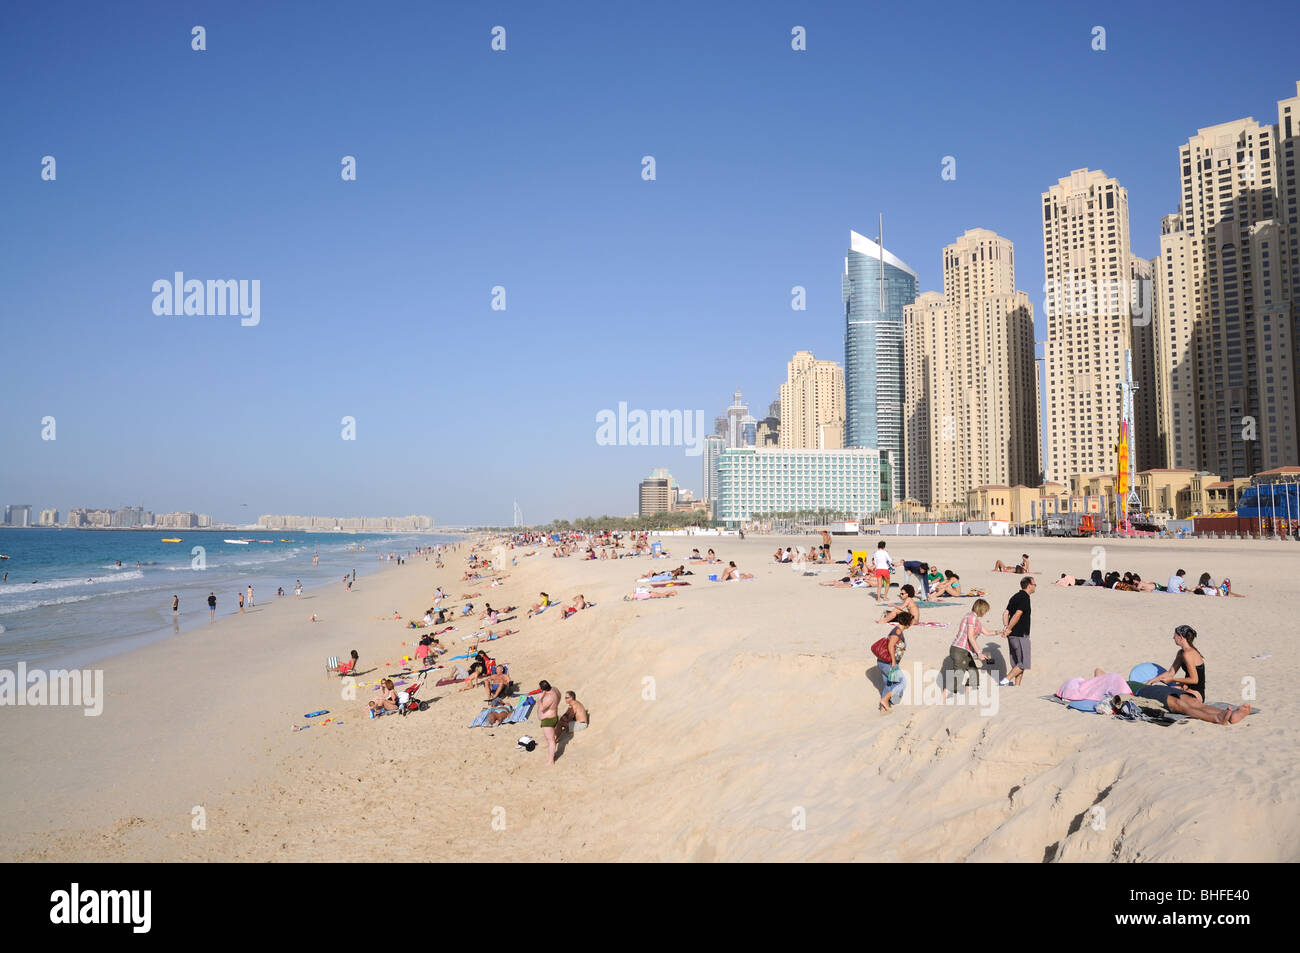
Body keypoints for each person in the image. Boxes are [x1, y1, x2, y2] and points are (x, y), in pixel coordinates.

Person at [946, 598, 1001, 698]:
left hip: (965, 651)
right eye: (985, 610)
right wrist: (979, 653)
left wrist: (999, 632)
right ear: (981, 609)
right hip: (959, 649)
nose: (985, 613)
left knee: (974, 674)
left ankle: (967, 697)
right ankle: (943, 698)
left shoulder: (976, 620)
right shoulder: (971, 617)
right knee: (958, 676)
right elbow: (970, 637)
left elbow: (987, 632)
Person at [1146, 624, 1206, 701]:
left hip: (1196, 692)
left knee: (1165, 697)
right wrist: (1151, 681)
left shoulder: (1188, 654)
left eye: (1175, 636)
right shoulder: (1181, 653)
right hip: (1186, 687)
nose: (1173, 638)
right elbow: (1170, 673)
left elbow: (1194, 680)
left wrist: (1173, 680)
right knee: (1160, 692)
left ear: (1181, 637)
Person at [874, 612, 913, 713]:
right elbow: (890, 646)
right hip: (888, 663)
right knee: (902, 682)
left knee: (889, 684)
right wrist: (894, 662)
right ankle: (885, 700)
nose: (911, 624)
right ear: (907, 622)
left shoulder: (898, 630)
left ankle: (883, 709)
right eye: (910, 621)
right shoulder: (897, 632)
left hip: (884, 662)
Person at [1000, 576, 1036, 686]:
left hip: (1012, 635)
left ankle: (1017, 686)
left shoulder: (1014, 596)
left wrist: (1006, 627)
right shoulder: (1024, 597)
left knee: (1017, 663)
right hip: (1020, 634)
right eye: (1034, 584)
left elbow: (1006, 613)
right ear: (1029, 586)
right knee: (1023, 663)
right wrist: (1008, 629)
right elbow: (1018, 614)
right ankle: (1005, 680)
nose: (1035, 586)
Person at [537, 680, 562, 765]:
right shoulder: (555, 689)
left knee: (550, 740)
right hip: (554, 716)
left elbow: (542, 708)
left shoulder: (549, 697)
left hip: (548, 720)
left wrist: (540, 699)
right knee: (551, 739)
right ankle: (551, 753)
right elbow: (559, 696)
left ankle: (551, 760)